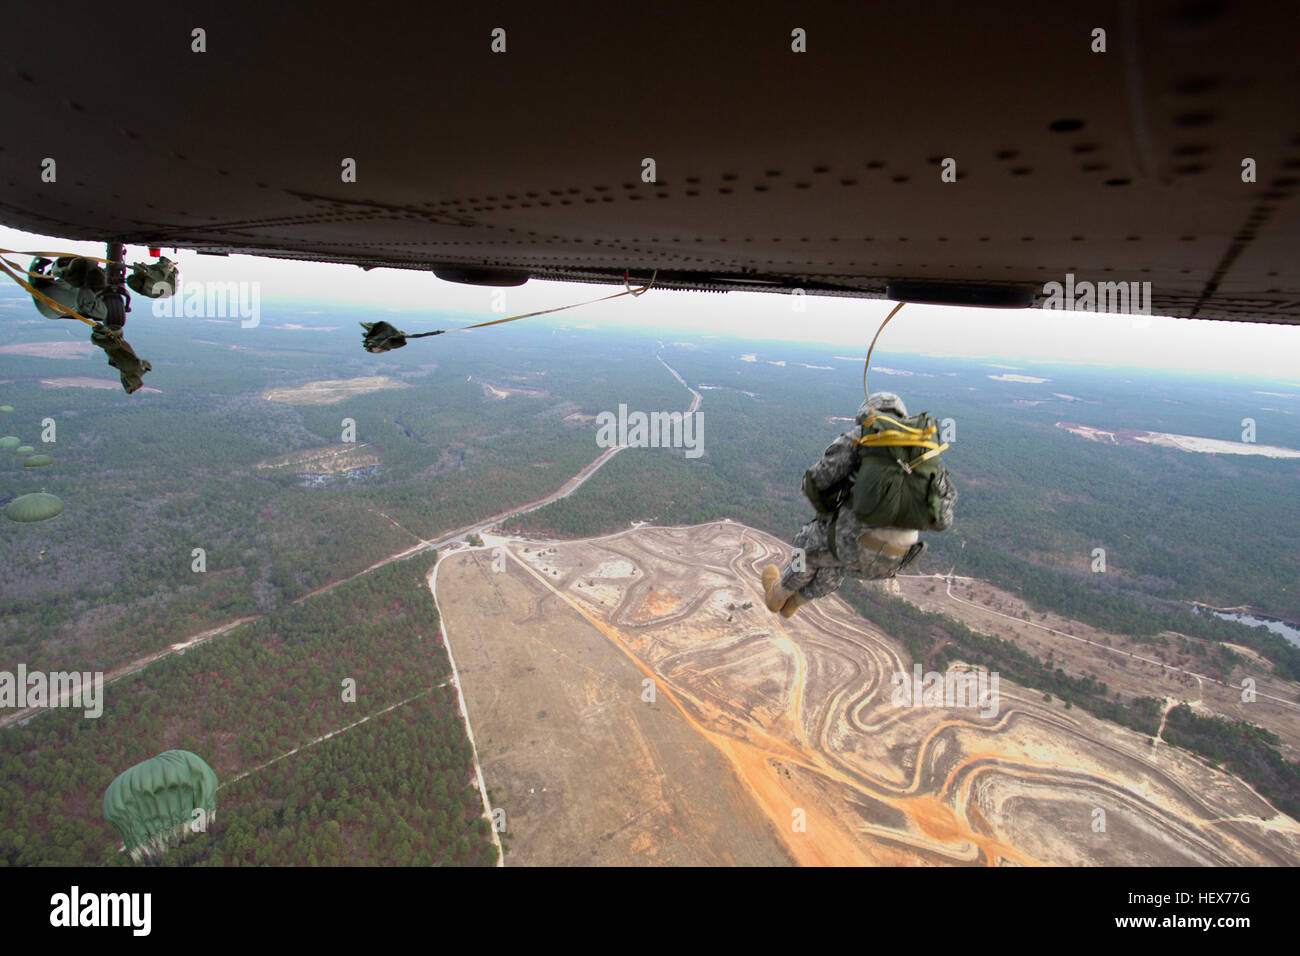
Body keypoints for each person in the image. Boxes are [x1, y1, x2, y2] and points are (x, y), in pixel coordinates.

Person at [762, 391, 956, 618]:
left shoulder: (861, 436)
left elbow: (815, 482)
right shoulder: (926, 452)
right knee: (836, 561)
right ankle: (797, 602)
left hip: (852, 544)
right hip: (895, 559)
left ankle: (779, 595)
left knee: (807, 546)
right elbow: (943, 518)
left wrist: (828, 511)